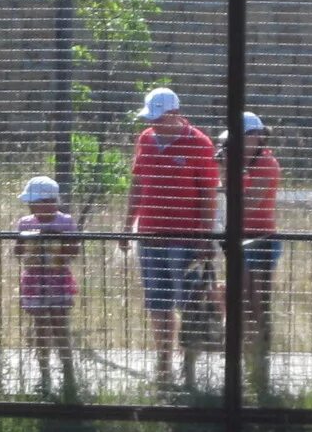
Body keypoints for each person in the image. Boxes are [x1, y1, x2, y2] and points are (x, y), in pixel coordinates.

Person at [120, 85, 218, 387]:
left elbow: (208, 194)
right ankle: (163, 364)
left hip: (184, 238)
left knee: (189, 304)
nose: (151, 123)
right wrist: (128, 225)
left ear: (175, 114)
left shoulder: (199, 144)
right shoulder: (146, 140)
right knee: (157, 303)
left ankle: (188, 369)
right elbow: (138, 183)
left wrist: (203, 235)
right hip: (150, 236)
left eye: (157, 117)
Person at [13, 174, 82, 396]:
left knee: (60, 325)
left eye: (34, 202)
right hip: (35, 279)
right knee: (41, 327)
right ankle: (44, 375)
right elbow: (18, 251)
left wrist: (57, 238)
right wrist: (27, 242)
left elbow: (74, 251)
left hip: (58, 278)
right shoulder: (25, 223)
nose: (31, 207)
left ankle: (68, 372)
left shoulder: (65, 221)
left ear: (50, 202)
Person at [229, 111, 283, 368]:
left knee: (256, 300)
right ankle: (244, 353)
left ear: (258, 138)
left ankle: (259, 358)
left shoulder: (266, 165)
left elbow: (247, 204)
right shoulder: (238, 163)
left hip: (260, 239)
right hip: (237, 238)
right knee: (240, 298)